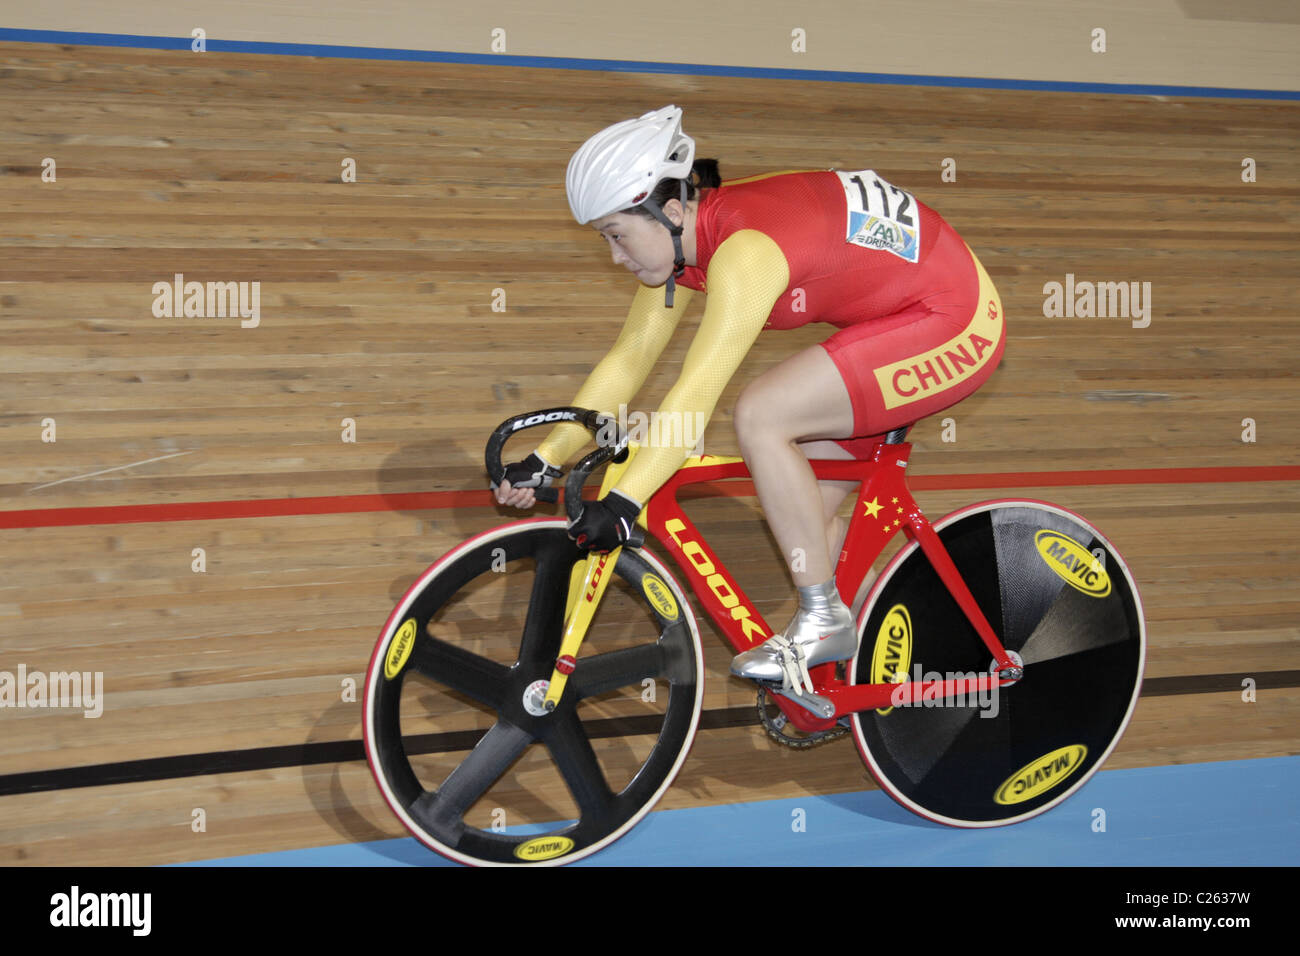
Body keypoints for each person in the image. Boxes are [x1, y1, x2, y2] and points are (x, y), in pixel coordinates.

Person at [493, 105, 1004, 694]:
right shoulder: (686, 247)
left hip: (954, 319)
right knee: (806, 512)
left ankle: (821, 619)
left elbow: (695, 394)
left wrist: (627, 502)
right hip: (896, 317)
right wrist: (549, 457)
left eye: (616, 234)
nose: (615, 256)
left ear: (671, 210)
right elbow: (630, 359)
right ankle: (881, 659)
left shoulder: (744, 253)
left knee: (762, 414)